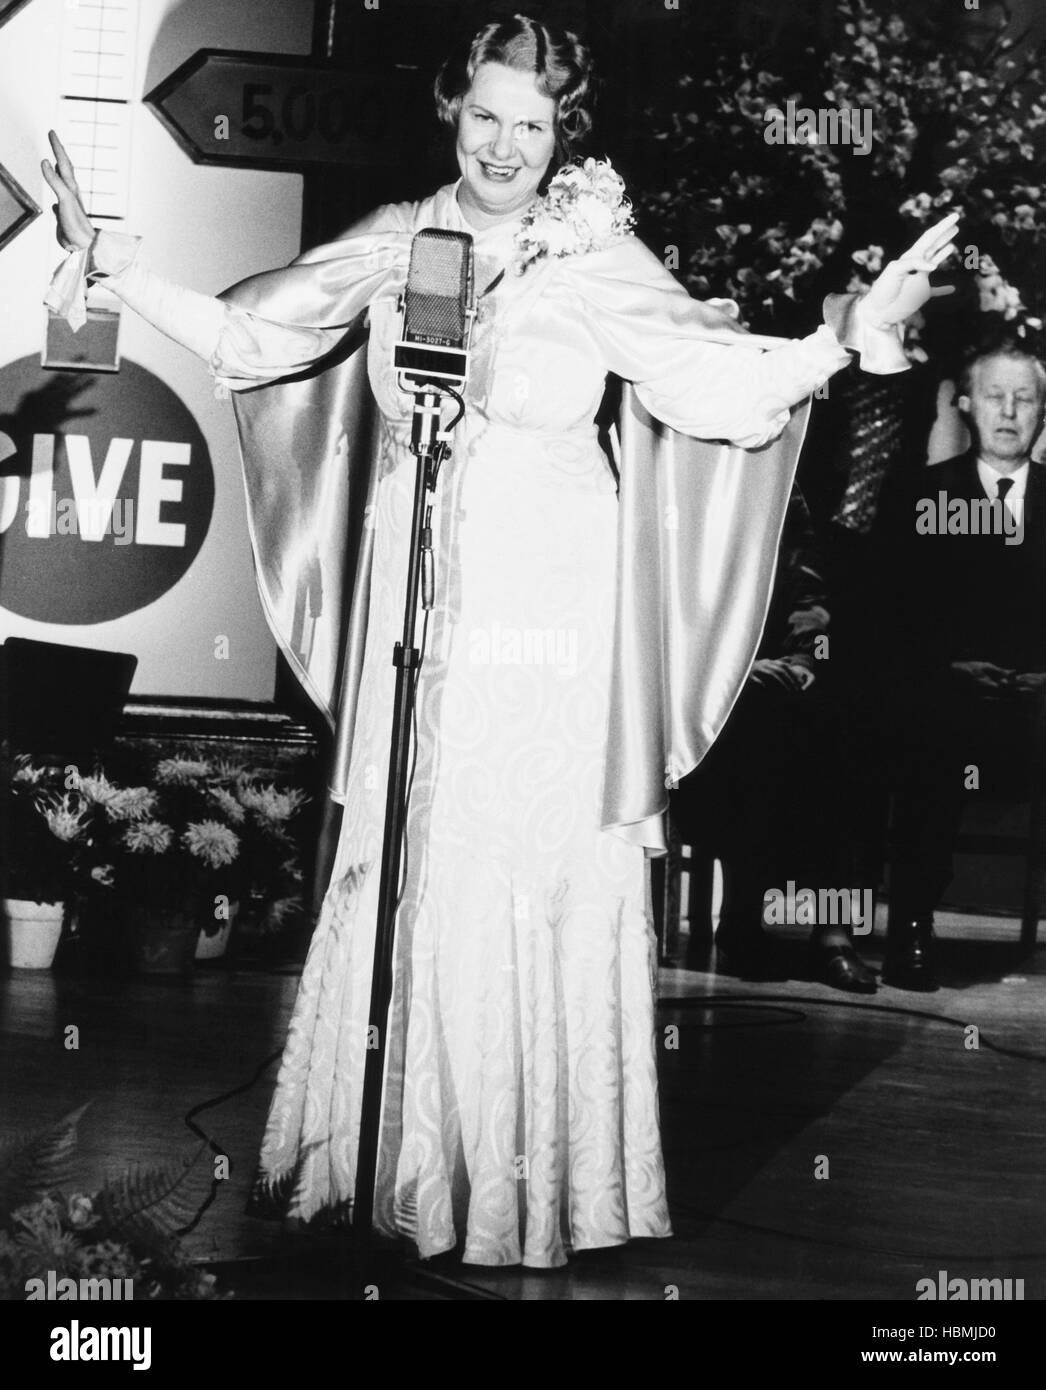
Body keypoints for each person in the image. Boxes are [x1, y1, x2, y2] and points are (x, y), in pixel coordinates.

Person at [43, 14, 958, 1267]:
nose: (505, 146)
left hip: (551, 604)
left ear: (559, 134)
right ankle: (392, 1160)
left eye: (531, 124)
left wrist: (842, 342)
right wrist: (110, 271)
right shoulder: (399, 241)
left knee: (516, 858)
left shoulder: (590, 251)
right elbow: (257, 338)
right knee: (417, 847)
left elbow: (704, 381)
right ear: (449, 111)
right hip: (421, 595)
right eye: (485, 115)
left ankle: (516, 1185)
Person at [881, 340, 1046, 990]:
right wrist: (950, 667)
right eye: (996, 396)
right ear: (967, 404)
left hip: (1039, 709)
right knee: (934, 736)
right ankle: (913, 927)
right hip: (948, 699)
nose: (1009, 411)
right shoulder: (923, 497)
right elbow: (892, 616)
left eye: (1025, 398)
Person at [670, 484, 878, 992]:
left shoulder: (783, 488)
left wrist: (807, 659)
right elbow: (663, 611)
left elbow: (809, 594)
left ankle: (832, 930)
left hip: (773, 687)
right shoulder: (681, 479)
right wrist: (734, 671)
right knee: (760, 726)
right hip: (693, 699)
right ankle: (743, 916)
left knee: (837, 720)